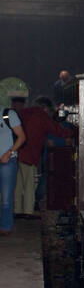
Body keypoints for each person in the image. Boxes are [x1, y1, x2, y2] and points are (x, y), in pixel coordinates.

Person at [14, 97, 74, 215]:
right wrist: (74, 133)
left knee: (17, 185)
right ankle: (27, 211)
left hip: (16, 152)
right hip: (30, 154)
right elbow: (57, 130)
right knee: (29, 185)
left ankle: (16, 210)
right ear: (46, 109)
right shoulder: (42, 116)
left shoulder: (24, 113)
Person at [0, 99, 25, 234]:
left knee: (6, 197)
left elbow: (21, 137)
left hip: (7, 162)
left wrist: (9, 153)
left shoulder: (8, 114)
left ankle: (5, 226)